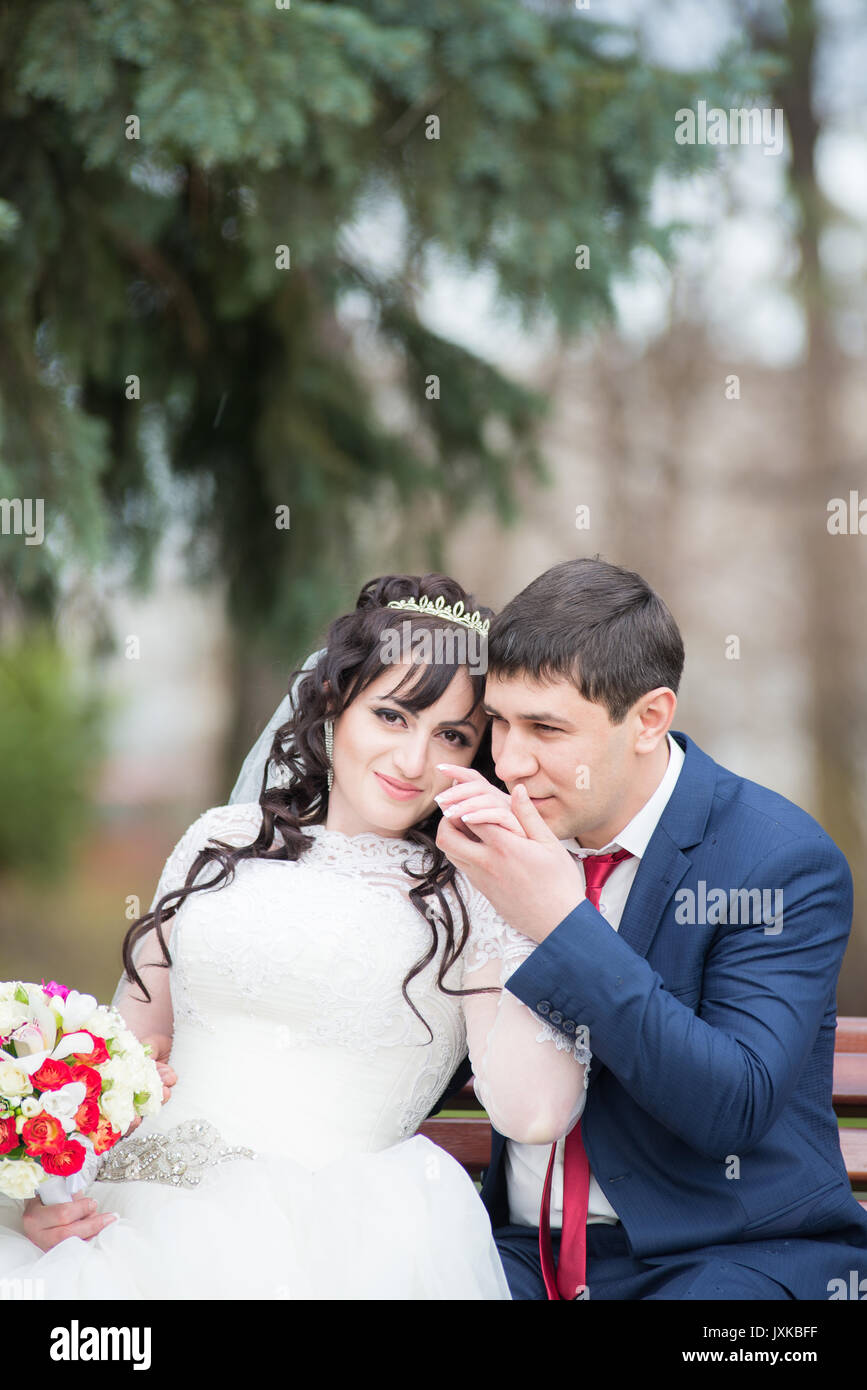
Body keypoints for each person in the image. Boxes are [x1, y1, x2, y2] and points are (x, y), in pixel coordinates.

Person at [0, 572, 590, 1299]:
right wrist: (51, 1196)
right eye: (393, 716)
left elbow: (533, 1113)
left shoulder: (472, 887)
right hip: (122, 1216)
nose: (412, 762)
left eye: (451, 736)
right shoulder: (220, 839)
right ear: (336, 703)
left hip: (317, 1245)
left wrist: (527, 903)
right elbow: (123, 1059)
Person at [431, 556, 867, 1300]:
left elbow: (731, 1104)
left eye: (545, 728)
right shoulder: (481, 840)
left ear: (649, 719)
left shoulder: (776, 861)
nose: (507, 760)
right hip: (520, 1257)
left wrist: (561, 923)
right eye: (498, 721)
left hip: (728, 1259)